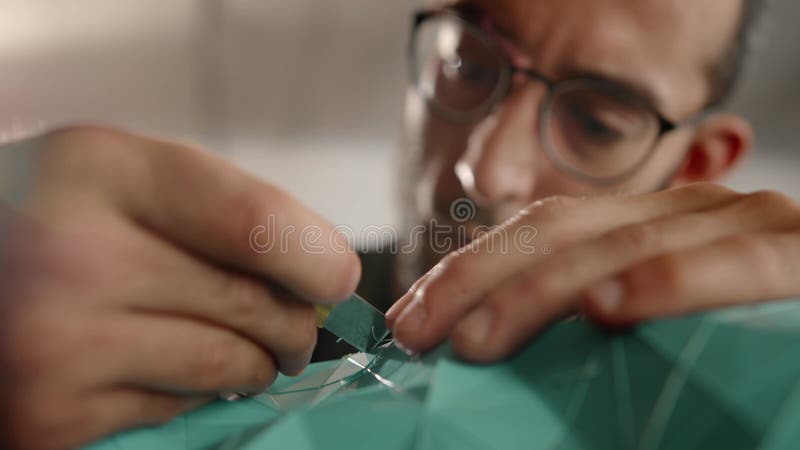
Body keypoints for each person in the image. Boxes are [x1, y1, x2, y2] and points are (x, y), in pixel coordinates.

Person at [1, 0, 798, 449]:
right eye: (469, 62)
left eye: (596, 119)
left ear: (694, 168)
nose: (486, 171)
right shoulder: (155, 312)